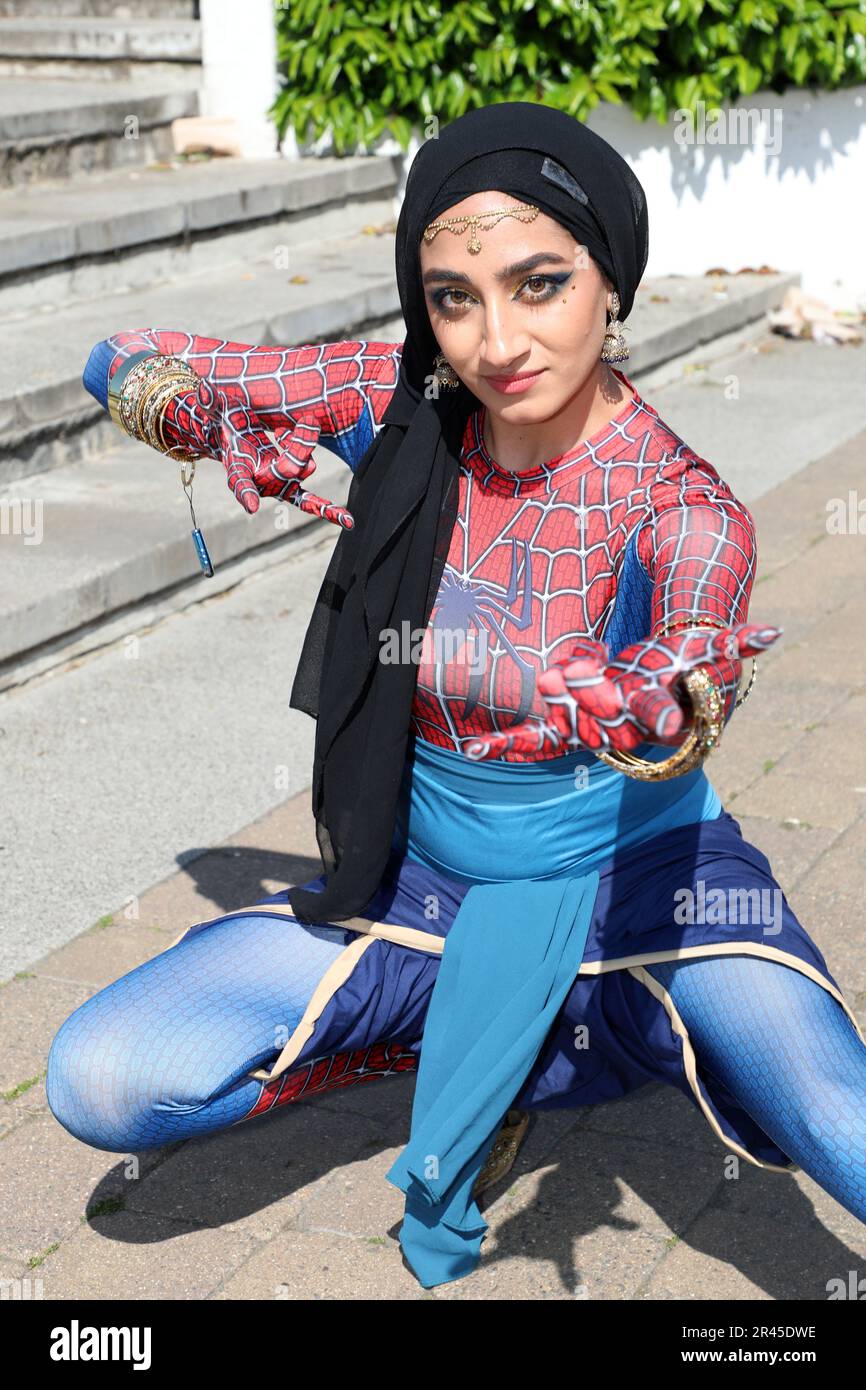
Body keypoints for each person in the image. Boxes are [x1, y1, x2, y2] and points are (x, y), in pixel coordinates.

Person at [48, 102, 866, 1291]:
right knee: (104, 1077)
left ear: (610, 284)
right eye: (452, 295)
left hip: (641, 887)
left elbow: (699, 647)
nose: (495, 341)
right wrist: (198, 417)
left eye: (538, 284)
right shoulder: (404, 406)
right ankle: (441, 1050)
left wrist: (652, 694)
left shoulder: (678, 499)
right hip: (420, 882)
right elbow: (115, 354)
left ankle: (550, 1045)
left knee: (833, 1119)